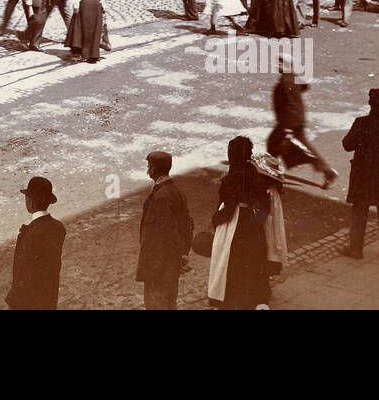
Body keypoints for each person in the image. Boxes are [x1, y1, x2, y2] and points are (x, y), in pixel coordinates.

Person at [207, 136, 285, 310]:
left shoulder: (231, 178)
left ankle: (231, 300)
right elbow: (266, 204)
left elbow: (227, 210)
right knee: (254, 264)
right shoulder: (258, 174)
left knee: (231, 263)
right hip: (254, 226)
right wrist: (257, 220)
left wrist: (215, 220)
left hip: (236, 226)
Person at [340, 88, 379, 260]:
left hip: (362, 175)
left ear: (369, 103)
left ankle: (356, 248)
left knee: (359, 212)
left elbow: (347, 145)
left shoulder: (361, 123)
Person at [136, 151, 193, 309]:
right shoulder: (176, 192)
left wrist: (153, 268)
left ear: (154, 169)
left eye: (149, 166)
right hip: (170, 264)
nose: (147, 170)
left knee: (157, 304)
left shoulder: (161, 196)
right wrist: (183, 254)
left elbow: (160, 235)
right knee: (169, 303)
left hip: (159, 266)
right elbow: (187, 225)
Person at [268, 66, 337, 187]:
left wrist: (288, 128)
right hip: (295, 119)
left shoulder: (286, 81)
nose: (277, 66)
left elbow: (290, 105)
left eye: (280, 63)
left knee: (274, 144)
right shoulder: (293, 78)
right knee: (300, 146)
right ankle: (327, 171)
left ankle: (272, 174)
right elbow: (305, 86)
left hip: (289, 122)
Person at [5, 176, 65, 310]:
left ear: (30, 201)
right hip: (48, 298)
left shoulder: (31, 233)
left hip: (28, 302)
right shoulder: (58, 227)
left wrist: (12, 303)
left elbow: (23, 274)